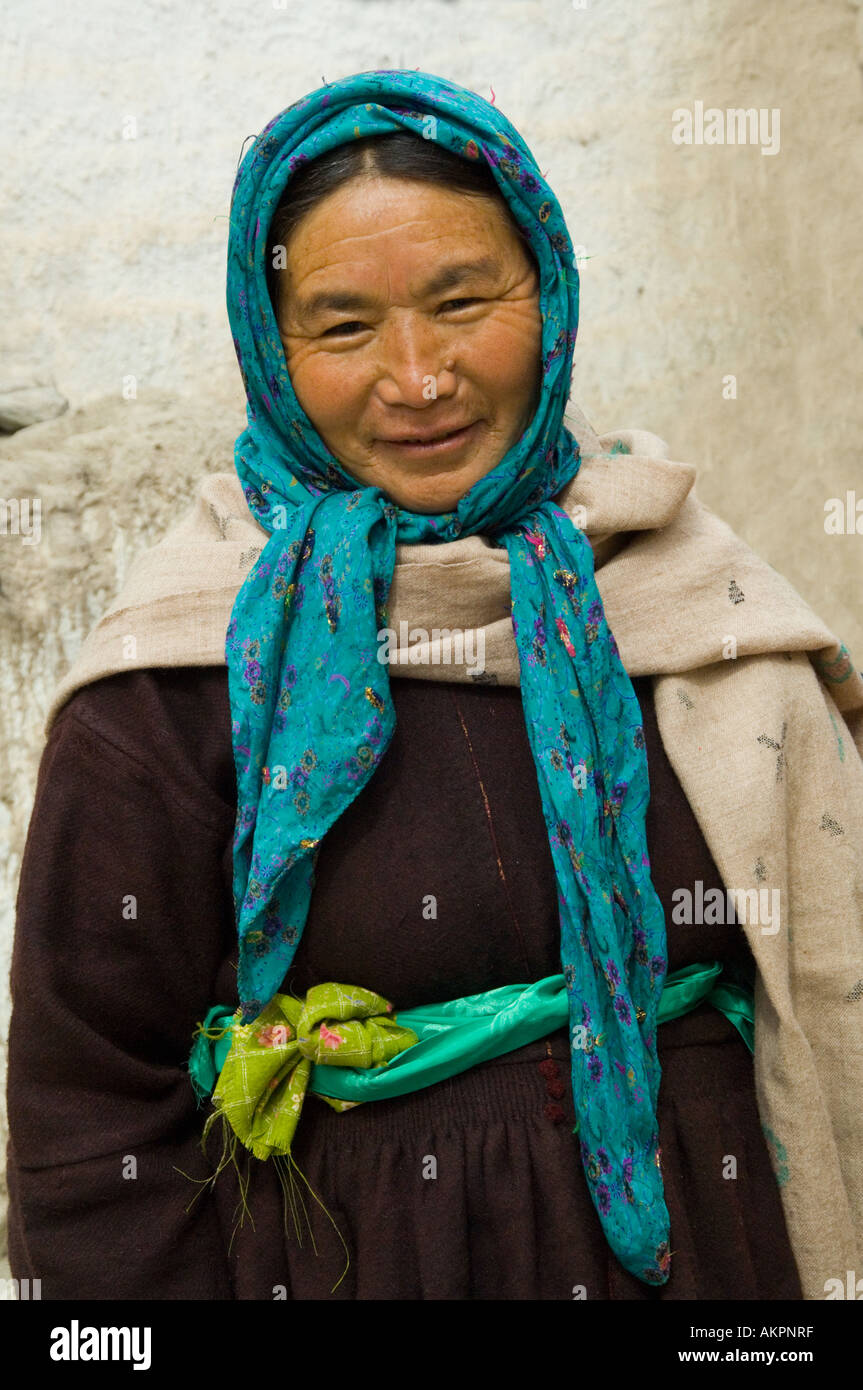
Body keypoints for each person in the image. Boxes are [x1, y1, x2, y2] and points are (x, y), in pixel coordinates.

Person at [6, 70, 863, 1302]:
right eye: (344, 328)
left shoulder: (692, 596)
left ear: (551, 294)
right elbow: (87, 1115)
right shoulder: (180, 674)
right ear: (270, 343)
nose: (416, 379)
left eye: (463, 301)